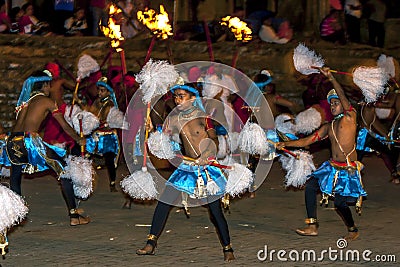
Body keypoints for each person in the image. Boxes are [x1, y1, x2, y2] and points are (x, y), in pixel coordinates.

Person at [136, 83, 235, 262]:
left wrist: (206, 154)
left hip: (207, 168)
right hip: (186, 168)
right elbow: (162, 138)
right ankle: (151, 243)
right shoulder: (174, 119)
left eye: (182, 96)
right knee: (164, 202)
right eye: (176, 96)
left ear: (192, 98)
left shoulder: (203, 117)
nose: (177, 99)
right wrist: (151, 130)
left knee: (215, 210)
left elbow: (213, 140)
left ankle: (227, 248)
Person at [277, 67, 366, 241]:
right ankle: (312, 226)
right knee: (311, 186)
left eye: (336, 102)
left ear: (343, 104)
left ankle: (352, 229)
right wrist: (285, 144)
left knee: (340, 203)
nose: (333, 105)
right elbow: (306, 141)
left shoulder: (350, 118)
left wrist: (331, 77)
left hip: (347, 171)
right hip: (332, 167)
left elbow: (342, 96)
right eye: (331, 103)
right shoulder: (328, 126)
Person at [7, 70, 90, 226]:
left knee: (15, 177)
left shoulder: (25, 102)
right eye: (49, 85)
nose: (51, 89)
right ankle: (74, 216)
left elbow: (18, 126)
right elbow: (64, 125)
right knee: (64, 170)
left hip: (13, 142)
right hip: (30, 141)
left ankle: (14, 216)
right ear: (45, 85)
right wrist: (79, 139)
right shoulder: (46, 101)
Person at [76, 76, 121, 192]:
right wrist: (80, 103)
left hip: (107, 137)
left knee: (109, 160)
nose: (100, 93)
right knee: (85, 155)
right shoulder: (97, 101)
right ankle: (82, 180)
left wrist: (94, 121)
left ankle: (112, 182)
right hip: (96, 135)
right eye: (99, 90)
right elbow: (91, 113)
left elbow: (100, 119)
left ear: (108, 91)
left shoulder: (110, 104)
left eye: (102, 90)